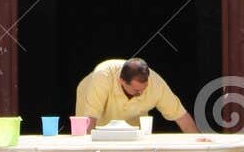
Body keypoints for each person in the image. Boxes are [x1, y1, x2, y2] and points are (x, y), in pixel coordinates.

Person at [74, 57, 203, 134]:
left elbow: (181, 116)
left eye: (144, 89)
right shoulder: (102, 78)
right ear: (122, 82)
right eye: (136, 91)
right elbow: (89, 120)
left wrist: (199, 143)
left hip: (132, 123)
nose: (141, 93)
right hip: (97, 118)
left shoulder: (155, 83)